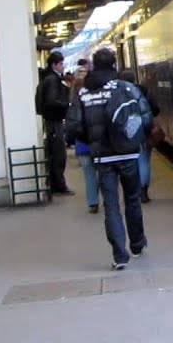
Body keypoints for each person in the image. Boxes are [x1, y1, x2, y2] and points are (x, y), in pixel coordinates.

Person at [68, 49, 152, 270]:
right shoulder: (125, 87)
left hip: (103, 158)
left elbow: (74, 126)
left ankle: (119, 255)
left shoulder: (85, 93)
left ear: (94, 66)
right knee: (132, 200)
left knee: (111, 206)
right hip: (128, 153)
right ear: (114, 64)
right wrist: (135, 139)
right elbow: (146, 117)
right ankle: (136, 244)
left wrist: (93, 140)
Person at [34, 51, 73, 195]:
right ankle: (59, 185)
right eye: (61, 64)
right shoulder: (52, 80)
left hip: (50, 120)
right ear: (54, 64)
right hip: (54, 120)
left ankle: (55, 183)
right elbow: (51, 101)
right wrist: (66, 105)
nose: (63, 67)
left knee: (54, 153)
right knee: (58, 154)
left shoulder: (47, 78)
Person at [119, 71, 161, 203]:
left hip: (126, 133)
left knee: (131, 162)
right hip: (143, 130)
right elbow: (155, 109)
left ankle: (134, 190)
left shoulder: (118, 93)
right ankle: (144, 192)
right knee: (144, 160)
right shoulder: (144, 90)